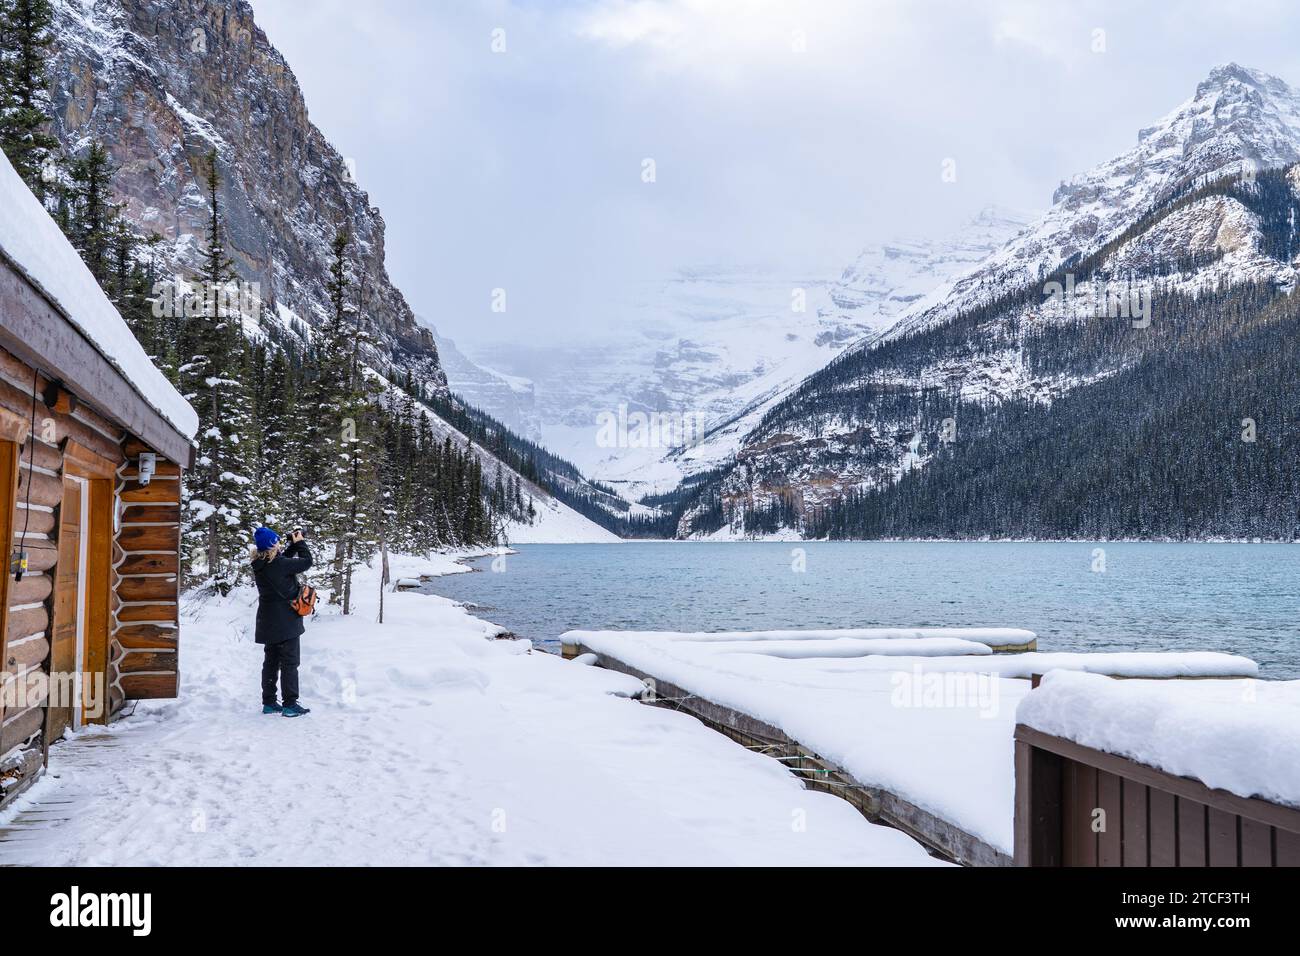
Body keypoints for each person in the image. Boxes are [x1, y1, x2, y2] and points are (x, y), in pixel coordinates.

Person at [251, 525, 313, 717]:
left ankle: (269, 702)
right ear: (272, 544)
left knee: (271, 661)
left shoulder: (261, 563)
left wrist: (290, 545)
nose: (279, 543)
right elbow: (306, 562)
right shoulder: (280, 565)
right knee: (289, 662)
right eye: (276, 541)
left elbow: (282, 560)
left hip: (268, 621)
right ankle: (290, 704)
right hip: (286, 621)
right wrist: (300, 542)